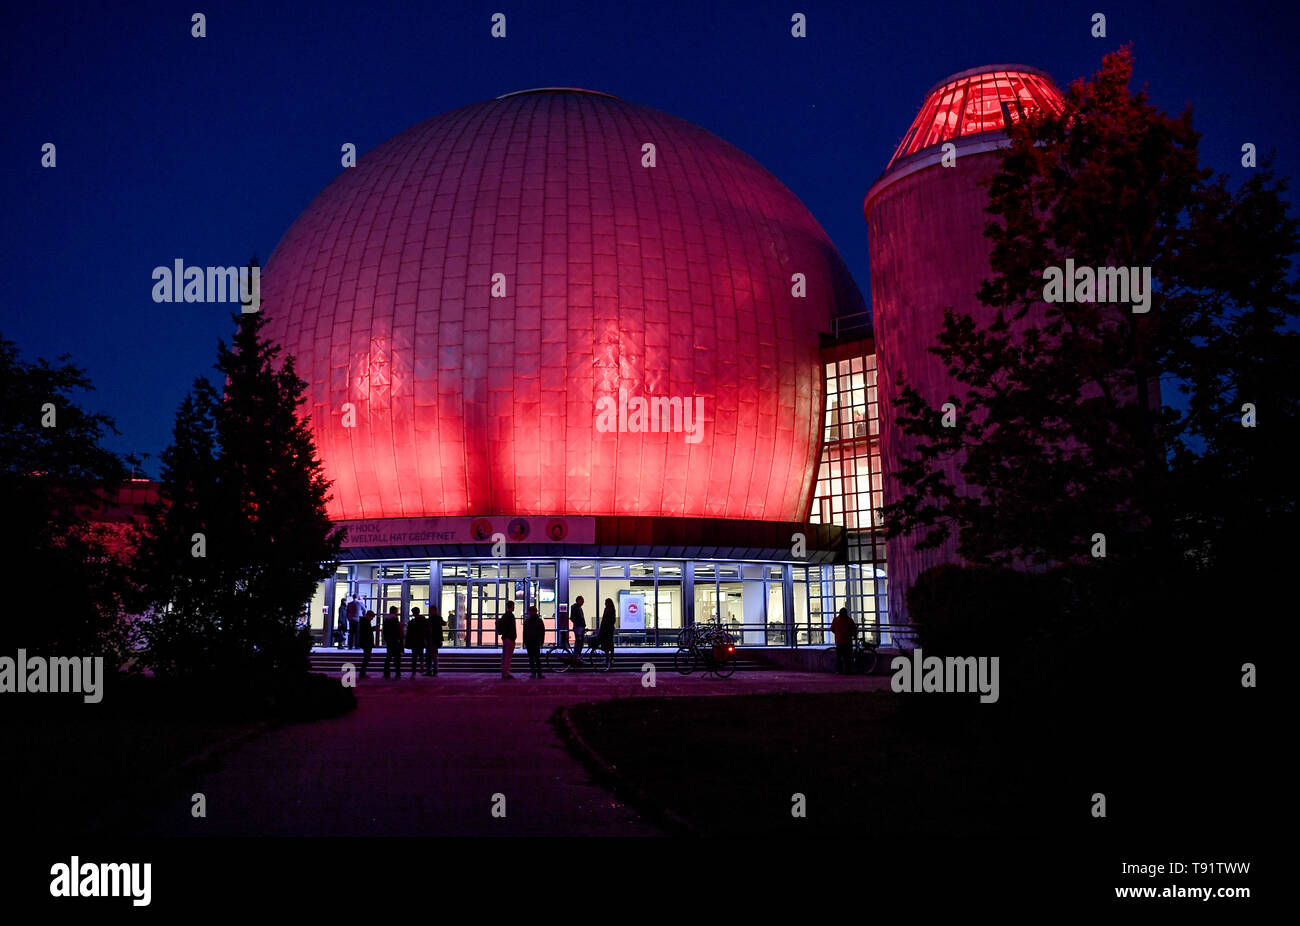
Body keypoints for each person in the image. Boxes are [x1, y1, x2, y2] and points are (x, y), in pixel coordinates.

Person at [831, 606, 857, 674]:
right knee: (848, 657)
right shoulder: (849, 620)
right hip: (847, 641)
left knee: (839, 657)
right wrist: (853, 635)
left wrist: (837, 634)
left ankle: (839, 670)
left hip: (839, 641)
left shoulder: (835, 620)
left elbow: (832, 629)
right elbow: (854, 629)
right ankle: (847, 671)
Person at [522, 604, 545, 678]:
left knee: (535, 658)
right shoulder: (537, 621)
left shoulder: (529, 621)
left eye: (531, 611)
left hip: (534, 642)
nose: (530, 613)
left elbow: (542, 632)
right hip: (532, 642)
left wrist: (541, 641)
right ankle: (536, 673)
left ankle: (536, 673)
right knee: (533, 658)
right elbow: (542, 631)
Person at [497, 601, 517, 679]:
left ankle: (504, 672)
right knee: (508, 657)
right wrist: (513, 637)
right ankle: (506, 673)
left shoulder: (504, 616)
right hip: (509, 638)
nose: (514, 607)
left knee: (505, 656)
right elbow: (511, 628)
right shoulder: (510, 616)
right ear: (511, 606)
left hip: (505, 638)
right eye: (513, 606)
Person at [383, 606, 404, 678]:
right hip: (395, 641)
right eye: (397, 611)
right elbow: (397, 630)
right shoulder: (394, 619)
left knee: (389, 656)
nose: (397, 613)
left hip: (389, 640)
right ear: (394, 611)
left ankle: (386, 673)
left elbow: (385, 631)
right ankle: (397, 673)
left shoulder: (386, 619)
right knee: (397, 657)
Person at [406, 607, 427, 678]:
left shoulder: (412, 622)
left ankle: (414, 673)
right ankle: (422, 665)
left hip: (414, 641)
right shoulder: (424, 620)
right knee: (421, 654)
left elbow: (409, 633)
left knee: (414, 657)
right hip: (421, 640)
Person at [427, 610, 447, 676]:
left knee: (431, 655)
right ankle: (434, 671)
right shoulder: (438, 618)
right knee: (434, 655)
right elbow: (444, 623)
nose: (430, 612)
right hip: (435, 639)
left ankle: (431, 671)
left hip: (432, 639)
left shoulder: (430, 619)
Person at [569, 595, 586, 666]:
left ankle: (577, 657)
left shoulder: (577, 608)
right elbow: (573, 618)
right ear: (578, 600)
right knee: (579, 643)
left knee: (580, 643)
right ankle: (576, 657)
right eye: (582, 601)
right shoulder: (576, 608)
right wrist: (579, 624)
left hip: (579, 627)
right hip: (578, 627)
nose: (583, 602)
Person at [359, 609, 376, 676]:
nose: (371, 619)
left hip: (366, 642)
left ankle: (363, 672)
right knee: (367, 657)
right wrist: (373, 629)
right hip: (367, 642)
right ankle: (362, 672)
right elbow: (366, 632)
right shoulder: (365, 622)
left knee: (367, 657)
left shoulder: (364, 621)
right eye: (372, 618)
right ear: (369, 616)